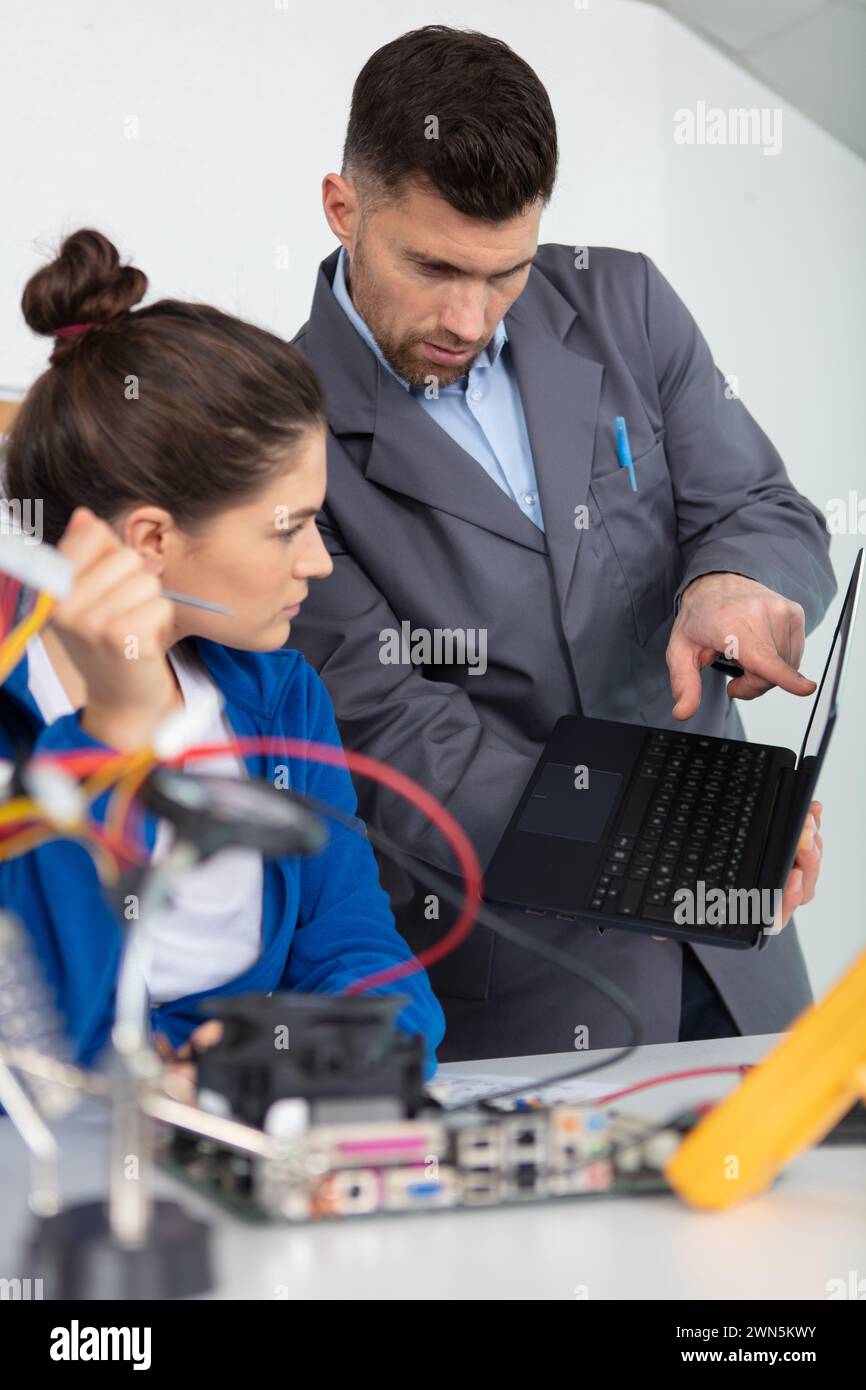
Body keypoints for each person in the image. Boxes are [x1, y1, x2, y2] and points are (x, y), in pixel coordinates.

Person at [287, 25, 831, 1059]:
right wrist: (703, 830)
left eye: (505, 274)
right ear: (342, 207)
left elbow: (760, 503)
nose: (468, 316)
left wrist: (732, 583)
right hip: (532, 990)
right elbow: (398, 744)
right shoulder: (274, 435)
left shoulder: (624, 302)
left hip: (742, 959)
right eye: (434, 266)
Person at [0, 228, 445, 1079]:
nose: (317, 560)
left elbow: (351, 940)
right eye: (288, 528)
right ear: (154, 539)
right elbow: (31, 1038)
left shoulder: (279, 693)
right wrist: (118, 726)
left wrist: (333, 1057)